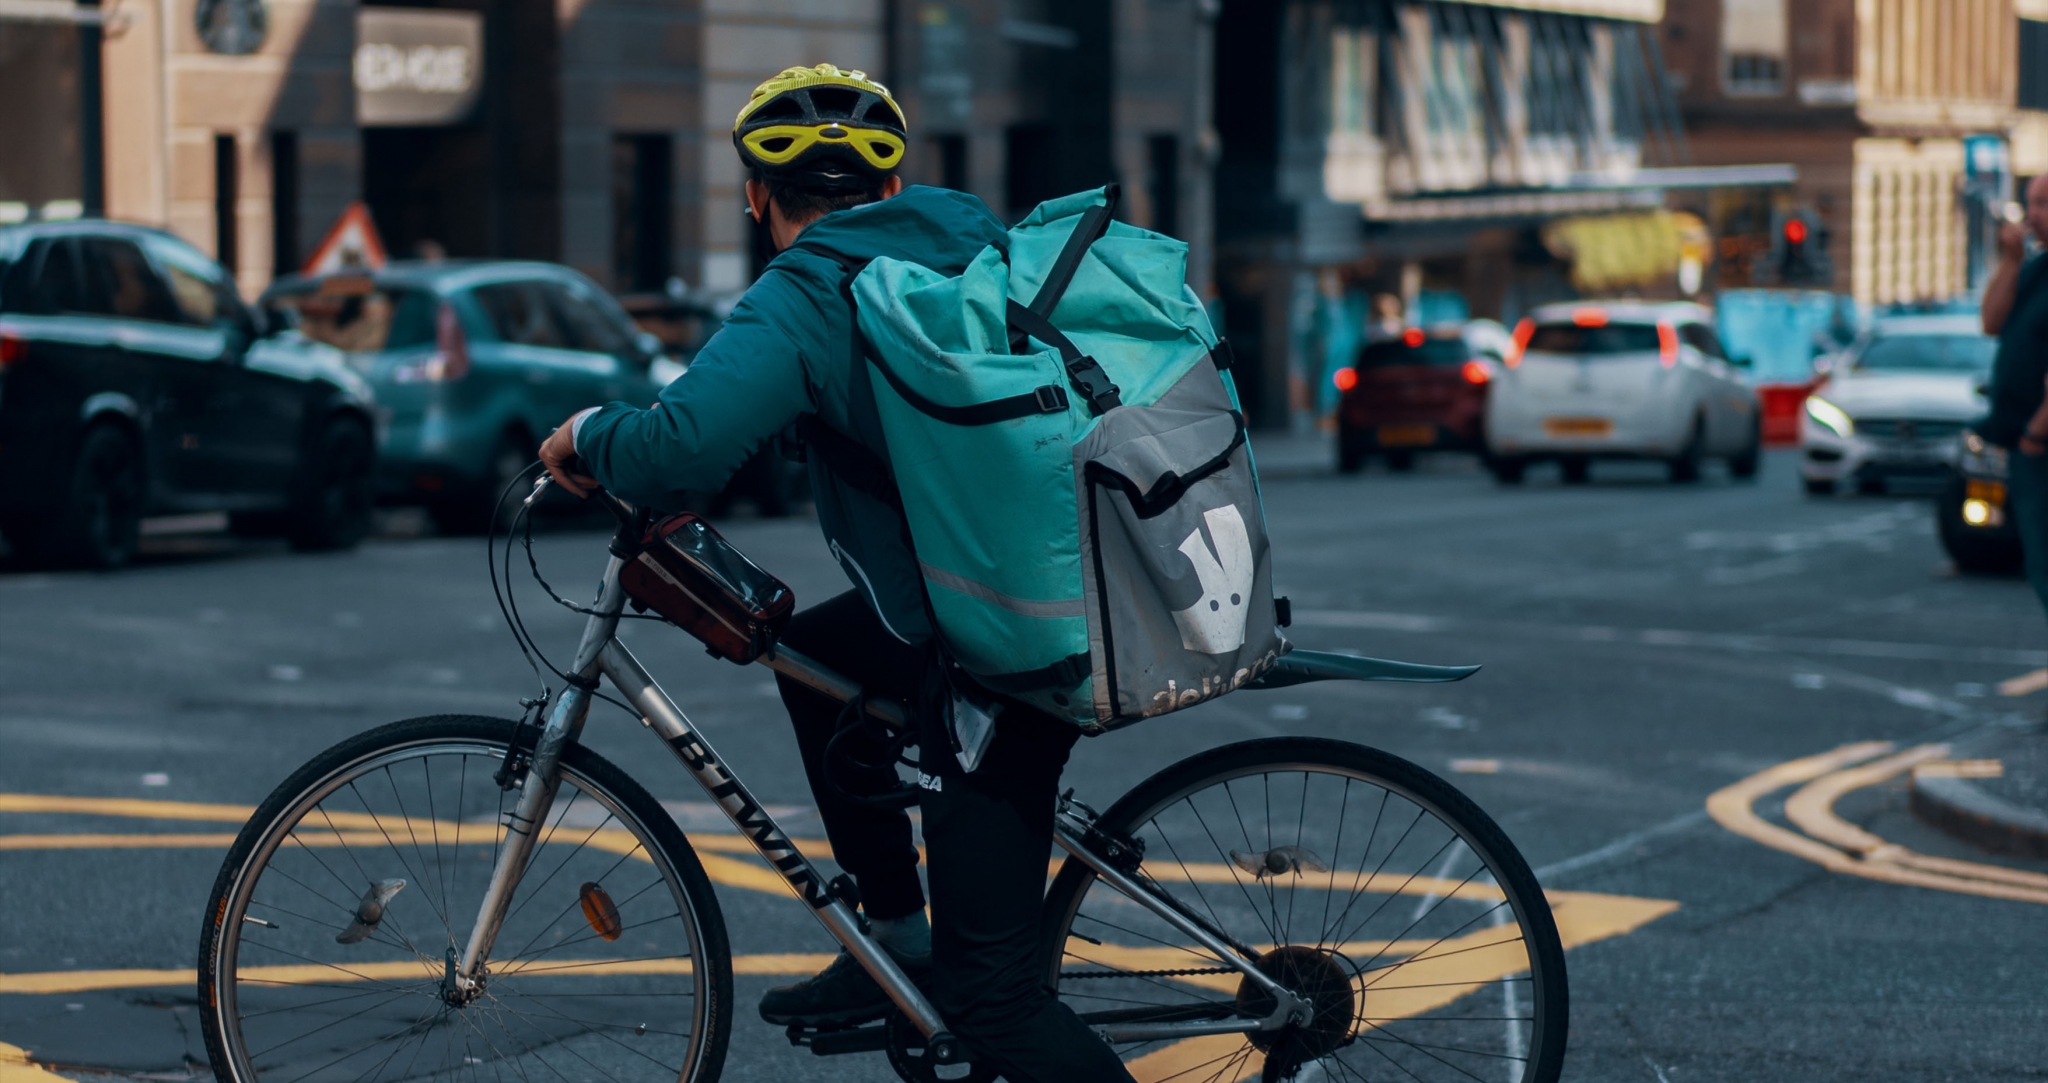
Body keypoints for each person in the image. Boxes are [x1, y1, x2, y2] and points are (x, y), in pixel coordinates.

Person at [537, 64, 1136, 1083]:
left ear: (756, 198)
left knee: (992, 1001)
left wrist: (589, 435)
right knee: (810, 651)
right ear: (892, 185)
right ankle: (892, 937)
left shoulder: (809, 289)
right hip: (1068, 583)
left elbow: (679, 450)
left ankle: (939, 960)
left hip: (998, 644)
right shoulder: (971, 234)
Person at [1980, 175, 2048, 626]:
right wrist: (2010, 260)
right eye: (2030, 204)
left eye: (2043, 204)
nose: (2032, 216)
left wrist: (2035, 436)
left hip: (2041, 448)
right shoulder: (2035, 268)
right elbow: (1991, 320)